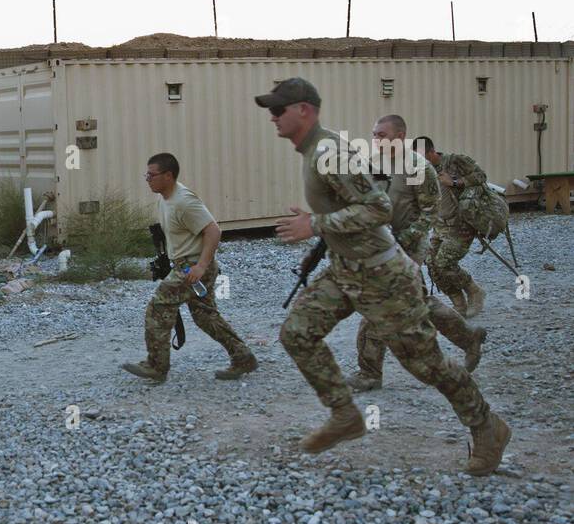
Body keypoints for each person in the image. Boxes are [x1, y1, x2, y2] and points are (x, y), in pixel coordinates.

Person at [258, 79, 509, 476]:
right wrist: (324, 237)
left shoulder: (329, 152)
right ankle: (344, 415)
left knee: (425, 365)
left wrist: (316, 224)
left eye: (279, 109)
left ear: (304, 110)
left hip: (383, 274)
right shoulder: (313, 152)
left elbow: (377, 209)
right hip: (346, 270)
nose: (272, 116)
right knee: (297, 332)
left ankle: (487, 426)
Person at [347, 116, 485, 392]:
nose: (376, 139)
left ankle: (369, 372)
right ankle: (469, 338)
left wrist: (403, 239)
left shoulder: (419, 167)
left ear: (400, 136)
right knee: (417, 301)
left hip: (407, 248)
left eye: (382, 135)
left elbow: (429, 213)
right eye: (374, 134)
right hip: (382, 245)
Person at [122, 152, 257, 383]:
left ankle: (156, 366)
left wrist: (202, 266)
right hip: (184, 265)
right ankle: (243, 357)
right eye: (147, 174)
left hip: (191, 268)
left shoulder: (185, 201)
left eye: (152, 175)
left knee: (158, 307)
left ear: (168, 175)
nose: (147, 179)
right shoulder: (165, 198)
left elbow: (213, 231)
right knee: (205, 316)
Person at [411, 136, 489, 317]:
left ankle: (474, 291)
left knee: (444, 263)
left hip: (460, 225)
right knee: (432, 265)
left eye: (421, 157)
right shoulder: (420, 170)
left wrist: (455, 183)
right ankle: (458, 303)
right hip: (439, 226)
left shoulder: (454, 162)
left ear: (431, 152)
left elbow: (481, 176)